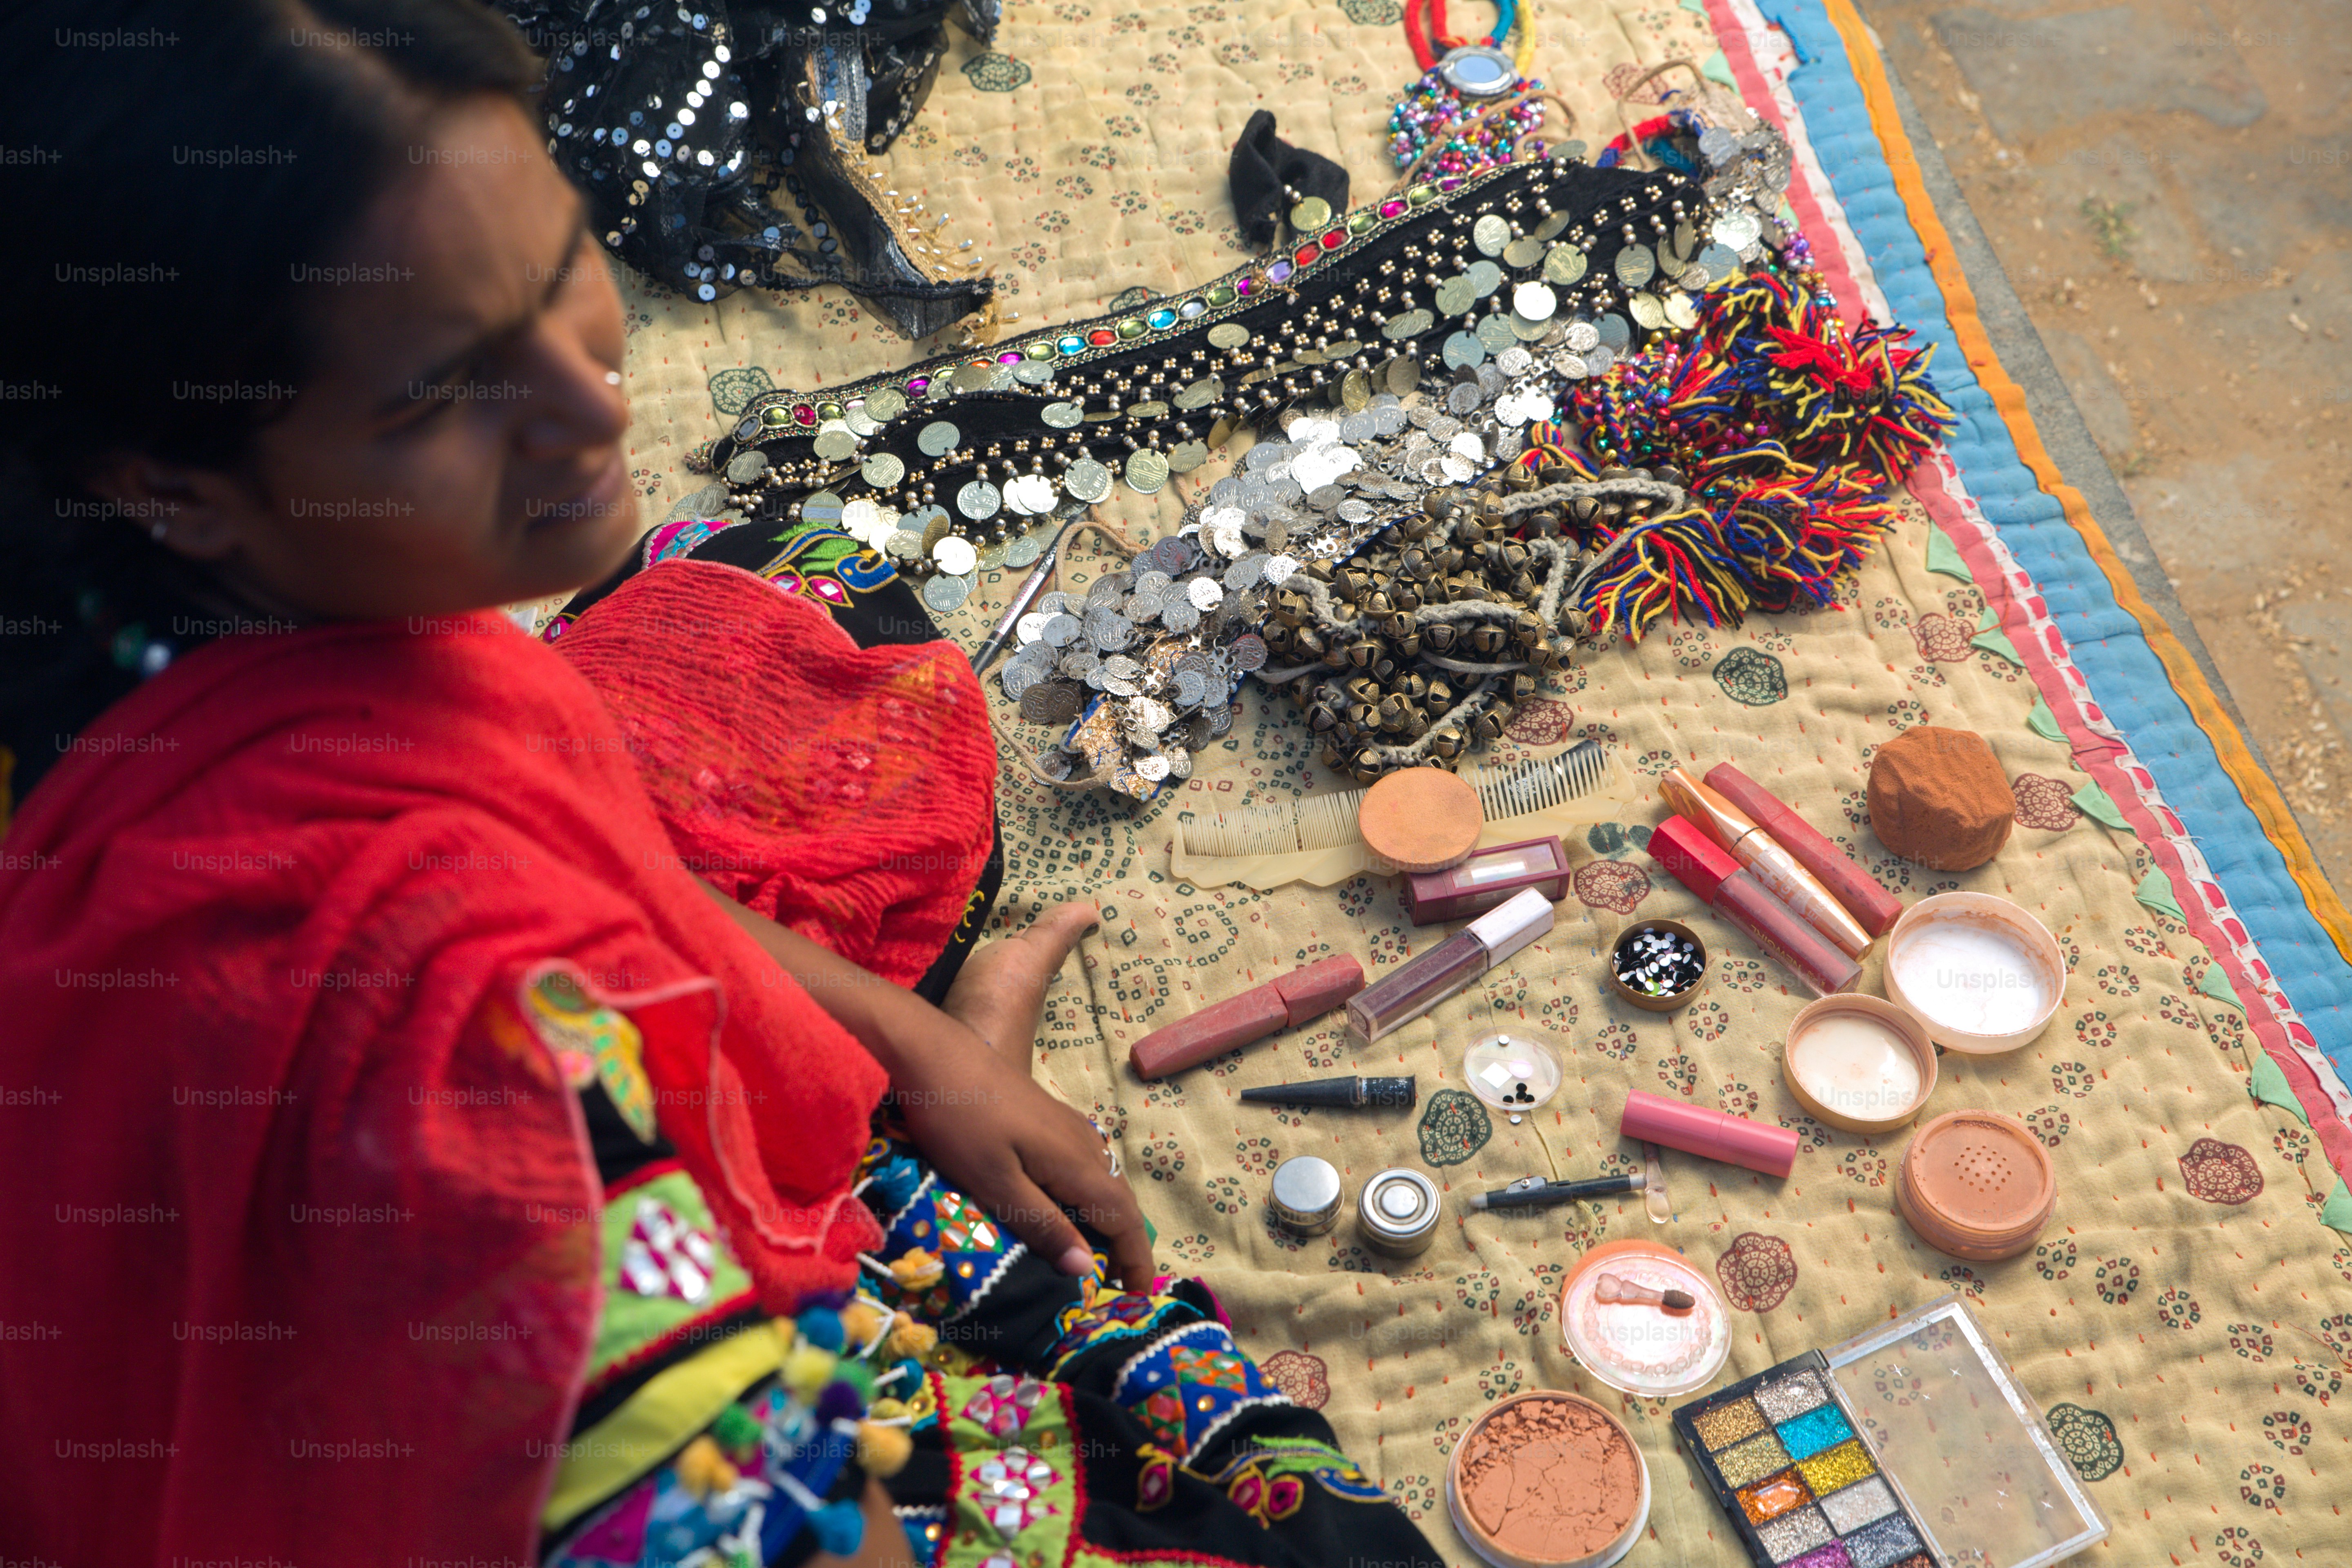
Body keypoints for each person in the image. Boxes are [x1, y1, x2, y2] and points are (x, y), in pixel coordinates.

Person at [0, 4, 1443, 1566]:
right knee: (1307, 1530)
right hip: (537, 1428)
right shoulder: (477, 1083)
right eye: (439, 395)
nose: (594, 406)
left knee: (800, 589)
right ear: (171, 486)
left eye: (563, 275)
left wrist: (905, 1043)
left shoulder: (135, 619)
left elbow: (607, 862)